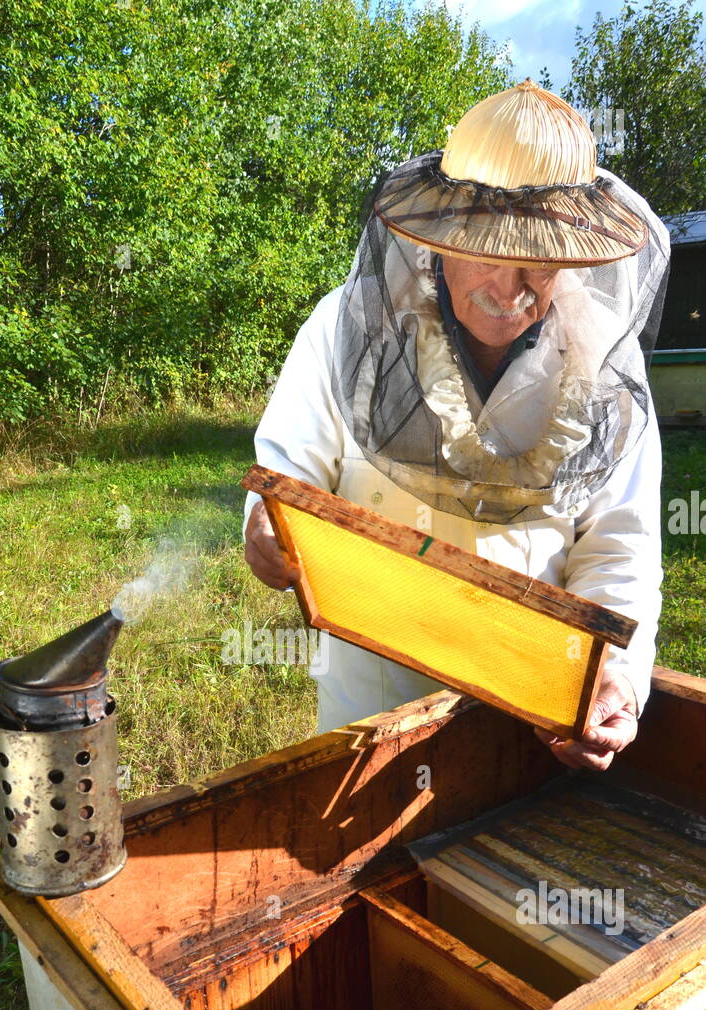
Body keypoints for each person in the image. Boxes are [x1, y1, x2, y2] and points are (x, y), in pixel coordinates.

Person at [243, 79, 670, 772]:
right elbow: (287, 473)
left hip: (530, 715)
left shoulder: (604, 367)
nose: (509, 289)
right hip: (369, 701)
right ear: (437, 237)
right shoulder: (344, 326)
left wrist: (612, 679)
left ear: (577, 252)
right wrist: (264, 526)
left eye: (539, 255)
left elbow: (619, 545)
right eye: (486, 250)